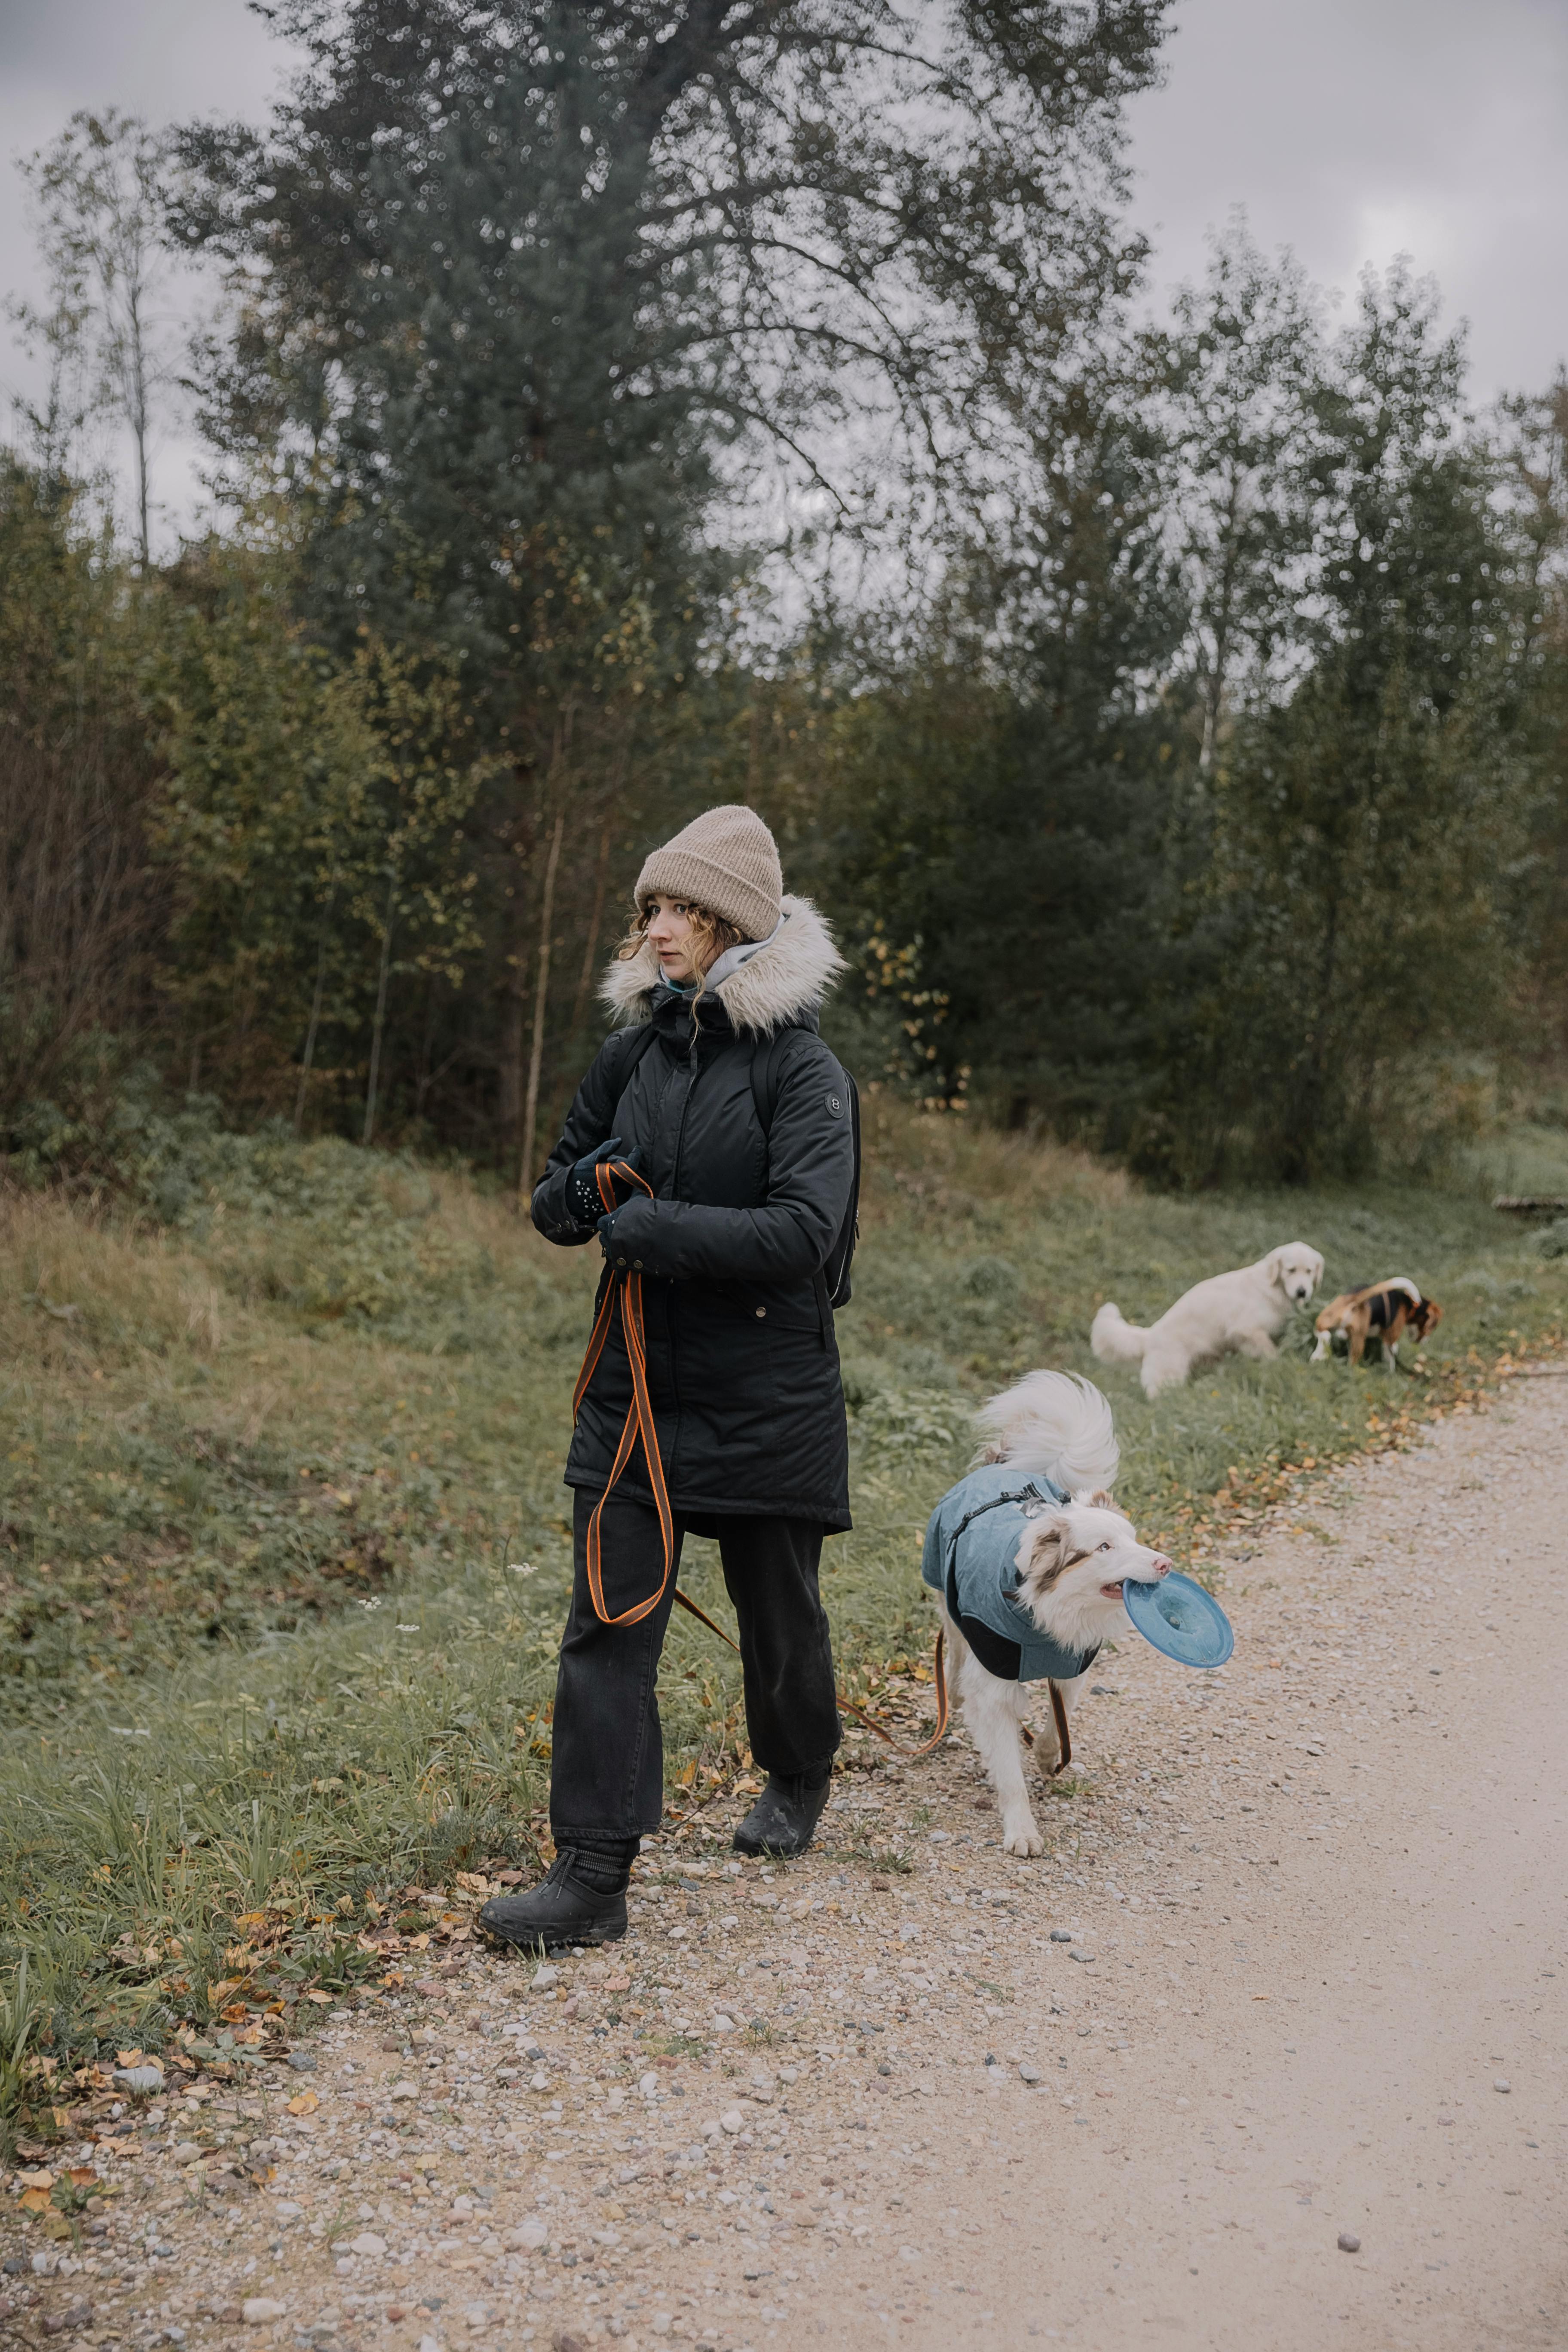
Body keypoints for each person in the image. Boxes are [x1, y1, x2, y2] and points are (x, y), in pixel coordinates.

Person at [479, 803, 856, 1953]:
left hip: (768, 1396)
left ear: (734, 923)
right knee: (606, 1624)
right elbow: (555, 1199)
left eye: (682, 909)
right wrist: (591, 1193)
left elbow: (807, 1236)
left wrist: (654, 1229)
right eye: (650, 908)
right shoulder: (629, 1054)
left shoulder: (804, 1071)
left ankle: (797, 1772)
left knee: (776, 1619)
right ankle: (593, 1878)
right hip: (635, 1394)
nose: (658, 930)